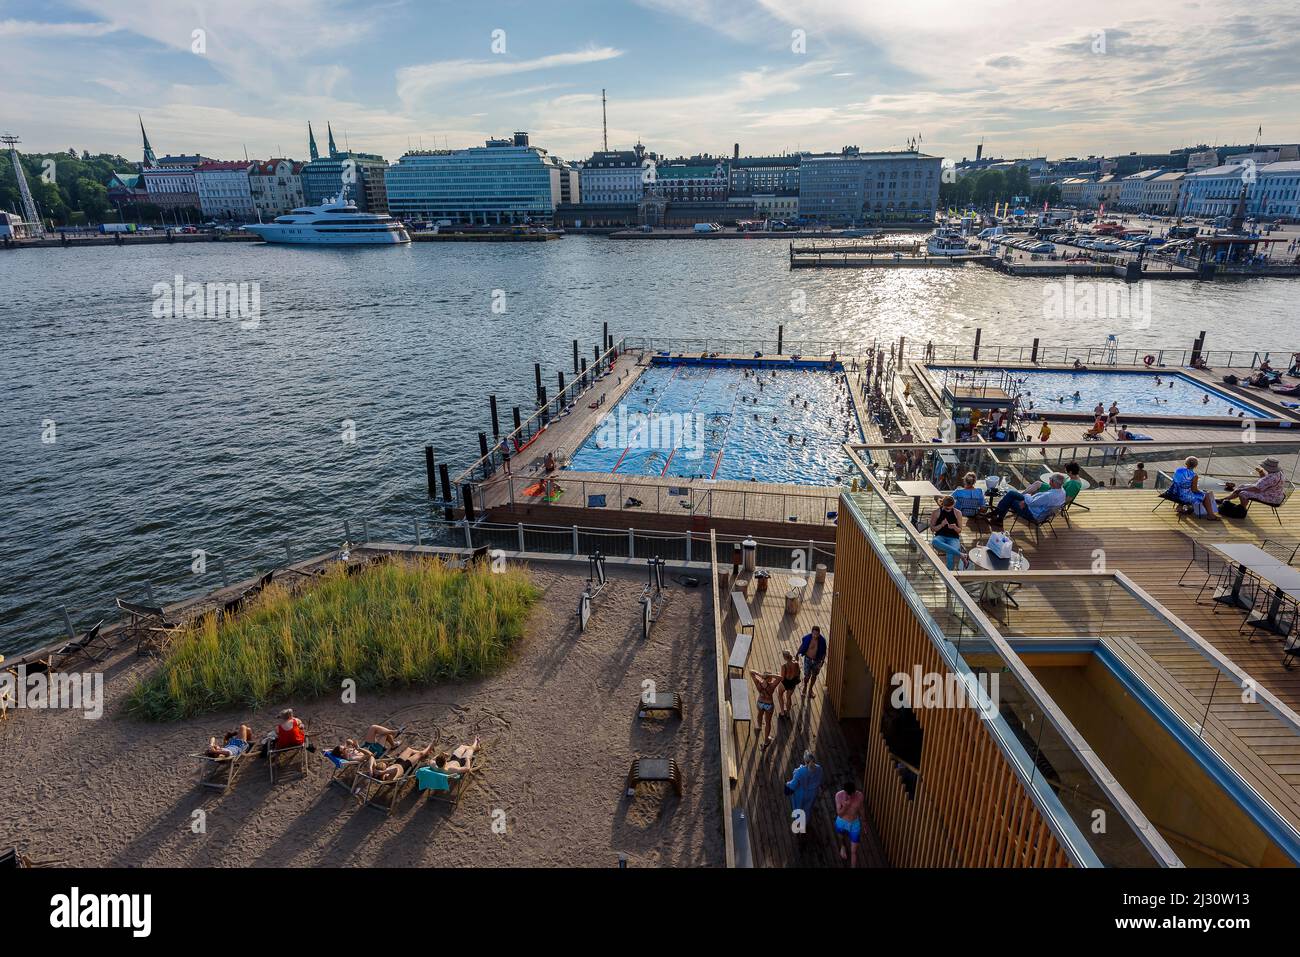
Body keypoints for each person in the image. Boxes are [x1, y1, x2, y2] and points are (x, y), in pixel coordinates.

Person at [990, 474, 1067, 525]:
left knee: (1010, 498)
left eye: (1050, 479)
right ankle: (997, 513)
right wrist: (1025, 500)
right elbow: (1035, 502)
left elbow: (1031, 503)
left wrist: (1027, 495)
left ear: (1053, 482)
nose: (1049, 480)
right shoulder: (1062, 492)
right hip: (1041, 512)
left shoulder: (1049, 496)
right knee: (1011, 493)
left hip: (1031, 513)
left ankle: (999, 517)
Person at [1220, 456, 1286, 511]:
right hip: (1276, 494)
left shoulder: (1270, 478)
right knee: (1242, 486)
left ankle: (1242, 510)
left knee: (1243, 493)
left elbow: (1257, 489)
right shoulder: (1279, 473)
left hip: (1271, 497)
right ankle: (1225, 499)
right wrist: (1261, 472)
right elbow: (1266, 483)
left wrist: (1240, 490)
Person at [1168, 455, 1220, 520]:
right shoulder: (1194, 476)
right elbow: (1194, 490)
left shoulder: (1178, 470)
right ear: (1196, 466)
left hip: (1173, 492)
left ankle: (1180, 507)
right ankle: (1211, 515)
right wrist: (1201, 492)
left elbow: (1177, 481)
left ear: (1186, 463)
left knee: (1182, 489)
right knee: (1206, 495)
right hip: (1183, 496)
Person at [785, 750, 824, 827]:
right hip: (813, 793)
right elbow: (819, 780)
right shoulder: (819, 768)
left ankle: (799, 823)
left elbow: (793, 785)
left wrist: (787, 785)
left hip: (801, 794)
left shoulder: (800, 772)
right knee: (808, 807)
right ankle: (806, 821)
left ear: (805, 762)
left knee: (799, 808)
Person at [928, 495, 966, 570]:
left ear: (954, 504)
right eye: (946, 508)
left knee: (950, 553)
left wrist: (955, 527)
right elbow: (932, 529)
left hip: (953, 537)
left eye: (951, 508)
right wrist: (941, 525)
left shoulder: (958, 513)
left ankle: (949, 573)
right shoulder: (936, 512)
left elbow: (960, 530)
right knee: (934, 541)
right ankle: (961, 555)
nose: (949, 510)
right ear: (943, 505)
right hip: (941, 536)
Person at [834, 780, 865, 866]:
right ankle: (843, 846)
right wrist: (846, 806)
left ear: (855, 791)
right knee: (840, 836)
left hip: (854, 824)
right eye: (848, 794)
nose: (850, 796)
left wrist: (864, 821)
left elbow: (861, 808)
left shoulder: (860, 796)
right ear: (845, 791)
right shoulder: (839, 795)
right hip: (841, 821)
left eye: (852, 794)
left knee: (854, 851)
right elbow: (839, 814)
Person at [750, 670, 782, 745]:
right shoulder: (772, 685)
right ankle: (766, 740)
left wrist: (760, 675)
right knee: (768, 723)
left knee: (759, 714)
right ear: (769, 679)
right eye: (770, 677)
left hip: (760, 703)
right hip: (769, 705)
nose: (772, 679)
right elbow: (780, 677)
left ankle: (759, 727)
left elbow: (751, 672)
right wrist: (772, 675)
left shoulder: (758, 683)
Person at [797, 626, 828, 702]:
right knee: (806, 676)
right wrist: (797, 653)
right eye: (814, 634)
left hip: (817, 661)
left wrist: (822, 662)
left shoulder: (822, 641)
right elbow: (802, 645)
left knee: (814, 676)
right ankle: (805, 687)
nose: (815, 636)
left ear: (819, 633)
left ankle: (810, 689)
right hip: (808, 659)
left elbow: (824, 653)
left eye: (817, 634)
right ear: (812, 632)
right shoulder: (807, 638)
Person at [778, 651, 800, 716]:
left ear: (785, 658)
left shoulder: (784, 666)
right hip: (792, 683)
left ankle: (782, 712)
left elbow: (782, 678)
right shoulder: (796, 664)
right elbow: (798, 673)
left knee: (780, 695)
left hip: (785, 682)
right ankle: (787, 713)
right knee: (788, 697)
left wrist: (778, 674)